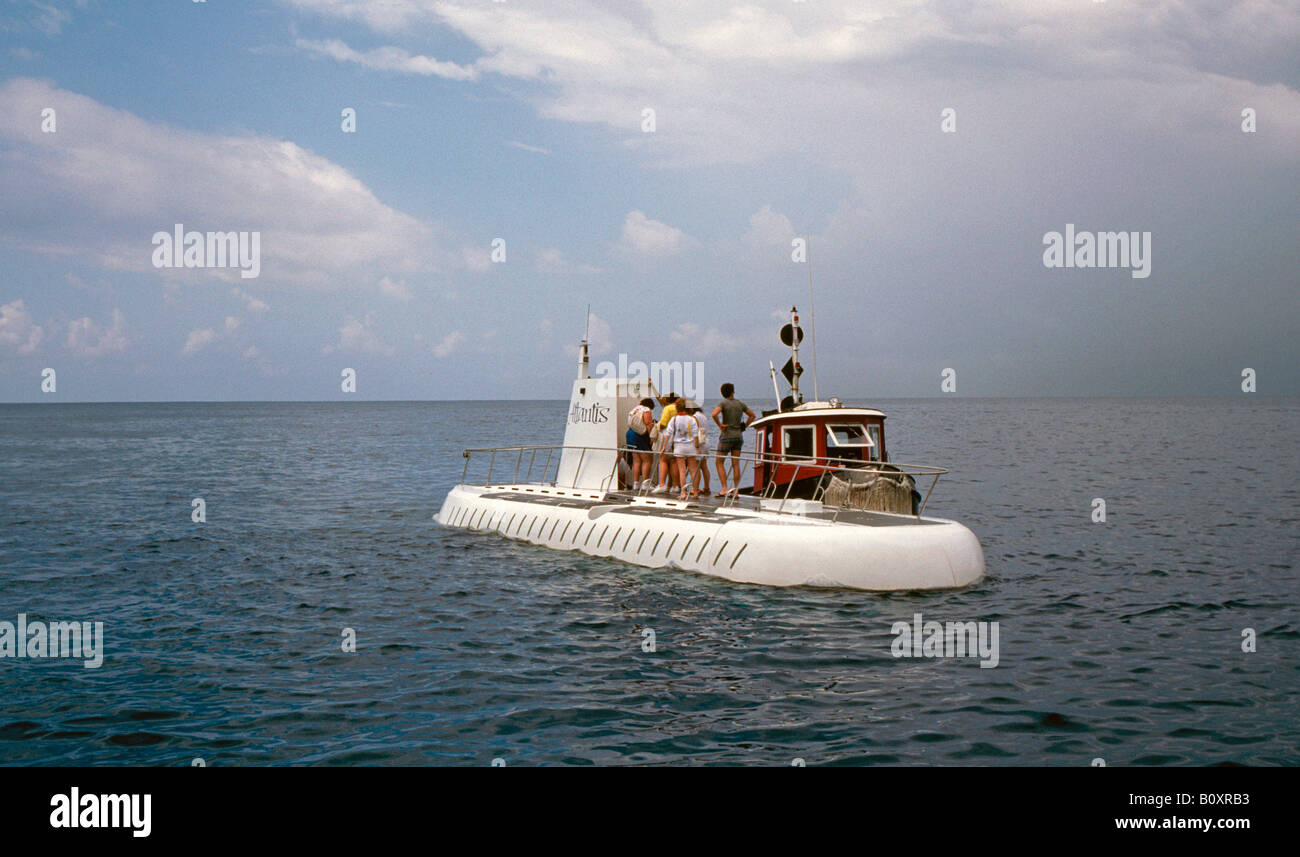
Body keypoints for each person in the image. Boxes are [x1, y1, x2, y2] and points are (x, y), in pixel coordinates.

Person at [712, 382, 755, 496]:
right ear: (733, 391)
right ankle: (735, 490)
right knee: (736, 463)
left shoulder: (723, 403)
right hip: (738, 436)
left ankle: (725, 488)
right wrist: (744, 426)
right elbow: (752, 415)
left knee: (719, 462)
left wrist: (720, 425)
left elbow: (714, 414)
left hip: (726, 436)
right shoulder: (740, 404)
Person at [665, 398, 700, 501]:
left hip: (679, 446)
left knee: (682, 471)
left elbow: (668, 434)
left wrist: (665, 447)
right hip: (690, 446)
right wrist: (697, 447)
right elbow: (695, 435)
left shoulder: (674, 419)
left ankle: (683, 492)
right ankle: (695, 491)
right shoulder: (691, 419)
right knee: (693, 470)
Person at [652, 393, 680, 494]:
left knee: (663, 459)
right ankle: (675, 486)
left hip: (667, 436)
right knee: (673, 461)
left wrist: (656, 425)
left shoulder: (668, 408)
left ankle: (662, 484)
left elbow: (663, 423)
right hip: (678, 437)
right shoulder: (679, 408)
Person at [625, 397, 655, 490]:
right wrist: (651, 437)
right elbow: (647, 423)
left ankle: (636, 483)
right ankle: (645, 484)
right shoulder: (646, 410)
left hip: (630, 433)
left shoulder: (635, 409)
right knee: (647, 460)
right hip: (639, 435)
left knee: (636, 460)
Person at [688, 402, 712, 496]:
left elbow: (694, 431)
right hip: (705, 441)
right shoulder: (703, 416)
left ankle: (695, 489)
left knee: (695, 467)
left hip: (698, 443)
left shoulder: (694, 417)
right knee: (704, 466)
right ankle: (706, 487)